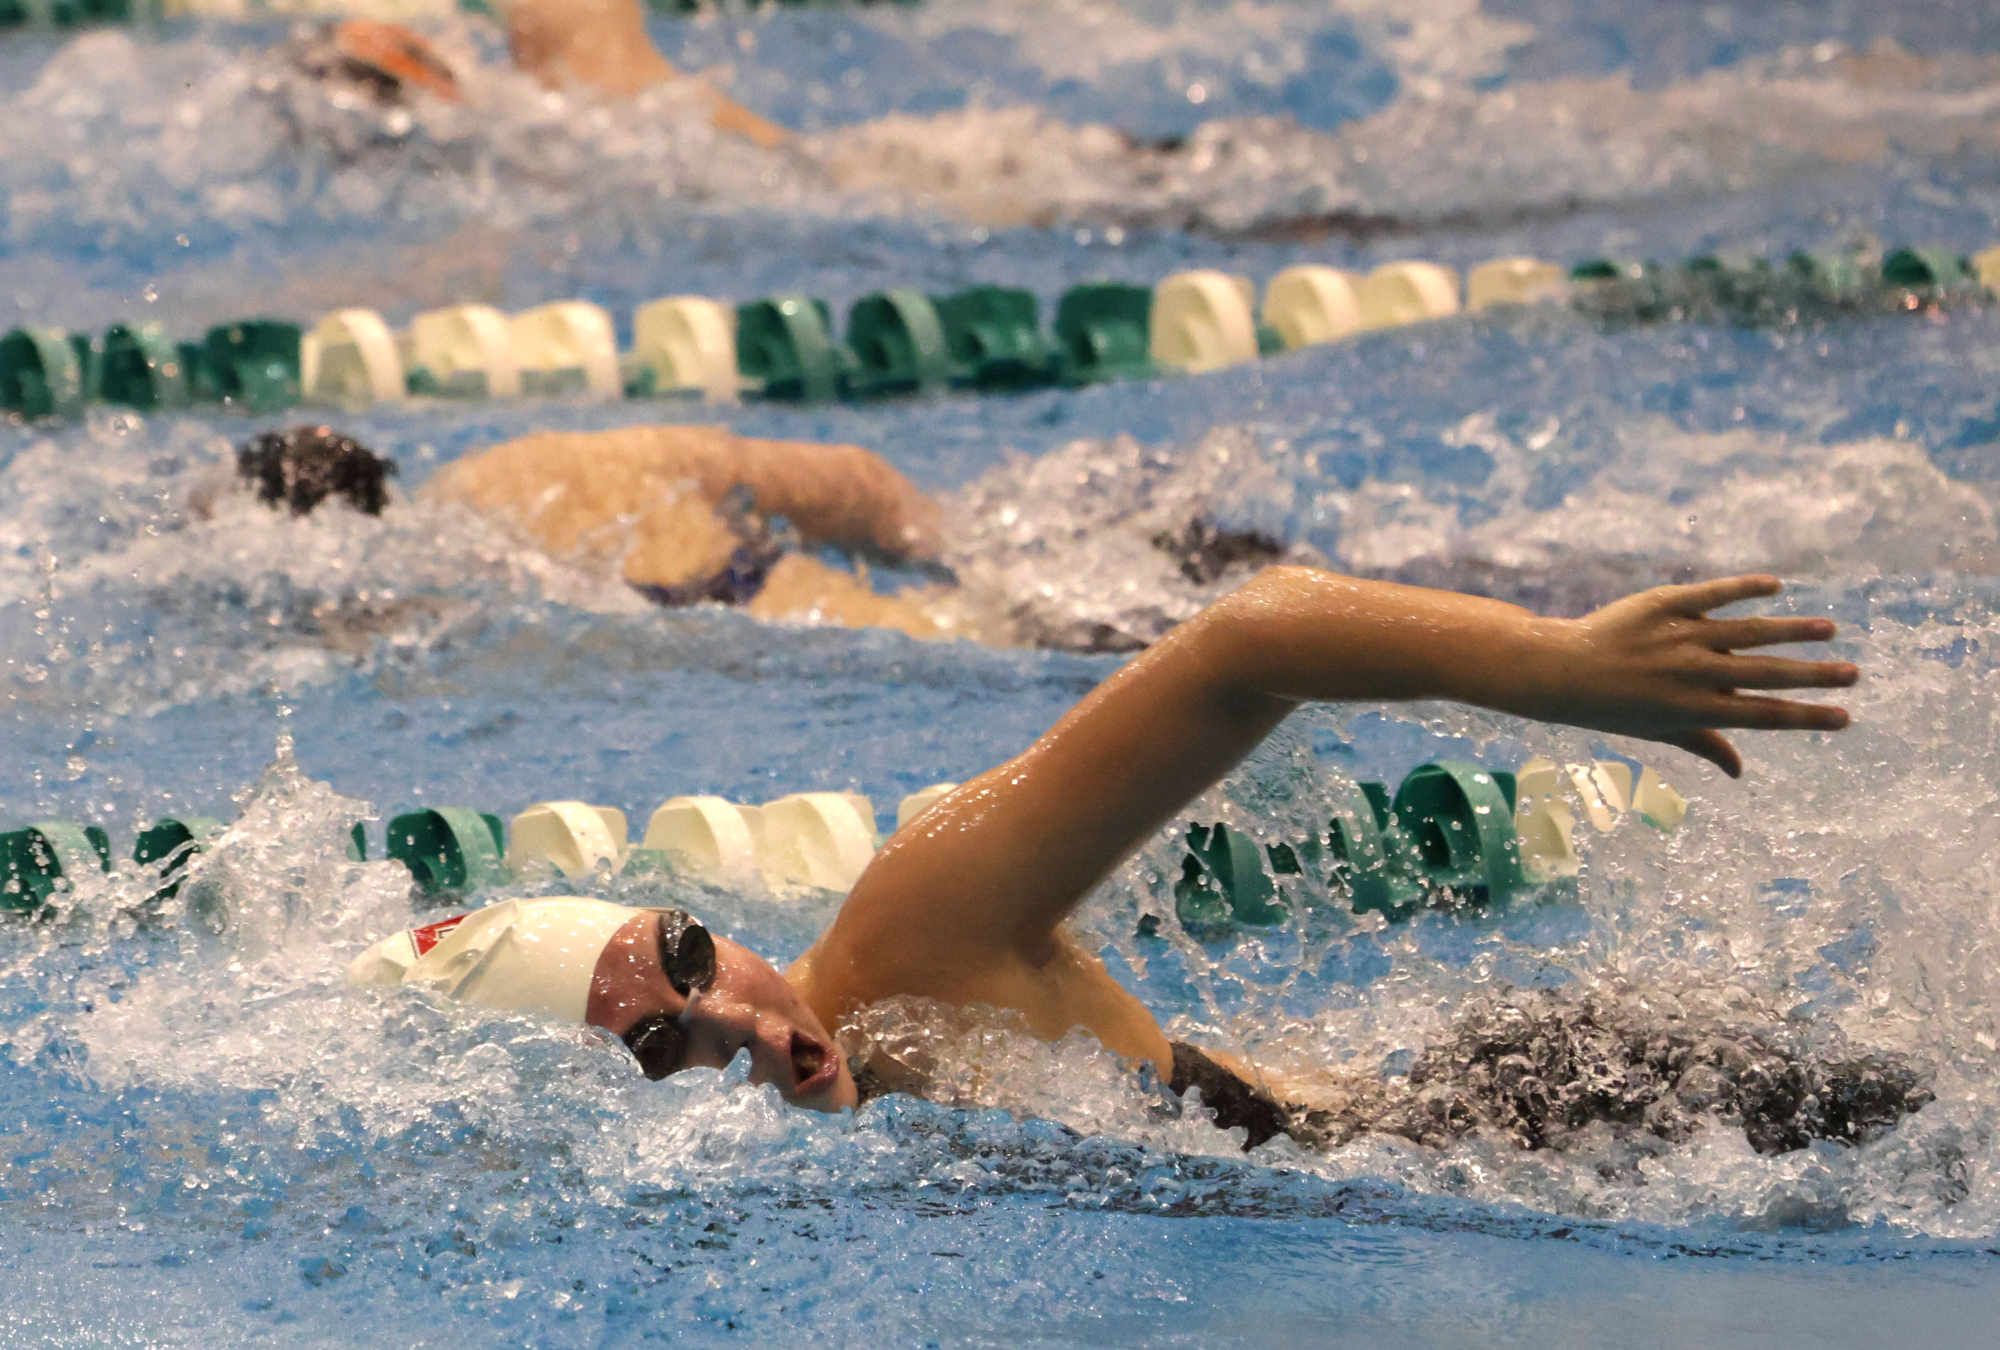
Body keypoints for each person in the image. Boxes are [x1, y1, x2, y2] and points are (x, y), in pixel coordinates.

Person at [352, 569, 1889, 1149]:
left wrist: (1555, 667)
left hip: (1550, 1114)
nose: (740, 1020)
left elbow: (1244, 639)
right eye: (662, 1046)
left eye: (695, 956)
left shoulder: (910, 927)